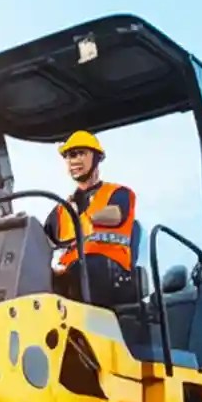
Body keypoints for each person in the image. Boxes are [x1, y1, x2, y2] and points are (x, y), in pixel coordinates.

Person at [42, 130, 137, 307]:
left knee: (85, 267)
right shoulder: (61, 209)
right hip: (72, 273)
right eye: (70, 156)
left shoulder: (117, 193)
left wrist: (84, 217)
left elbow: (116, 215)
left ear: (96, 158)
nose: (74, 160)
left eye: (80, 154)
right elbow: (41, 240)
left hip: (109, 270)